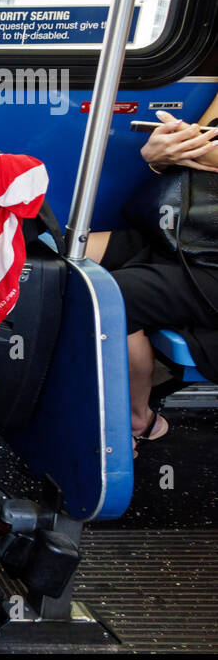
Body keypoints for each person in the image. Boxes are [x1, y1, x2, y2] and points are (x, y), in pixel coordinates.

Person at [87, 102, 218, 455]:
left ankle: (137, 419)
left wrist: (205, 155)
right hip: (193, 235)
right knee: (67, 255)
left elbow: (205, 153)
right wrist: (161, 155)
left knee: (114, 297)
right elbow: (191, 147)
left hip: (210, 264)